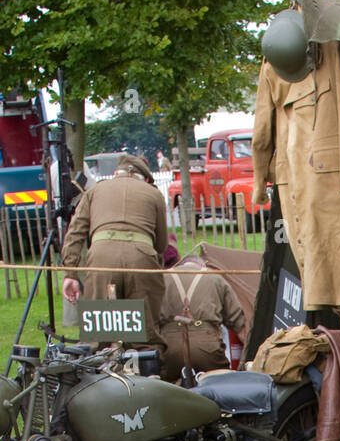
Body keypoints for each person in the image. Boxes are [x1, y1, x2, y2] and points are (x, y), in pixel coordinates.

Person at [60, 152, 168, 354]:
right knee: (144, 334)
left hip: (102, 259)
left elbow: (74, 234)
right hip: (142, 258)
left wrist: (70, 275)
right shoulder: (153, 194)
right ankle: (149, 375)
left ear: (116, 172)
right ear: (143, 176)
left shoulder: (94, 191)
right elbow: (161, 244)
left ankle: (94, 376)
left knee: (98, 331)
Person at [159, 254, 247, 381]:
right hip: (207, 348)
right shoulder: (215, 278)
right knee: (220, 385)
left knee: (168, 389)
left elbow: (150, 320)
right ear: (202, 266)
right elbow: (240, 326)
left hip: (170, 349)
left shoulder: (161, 278)